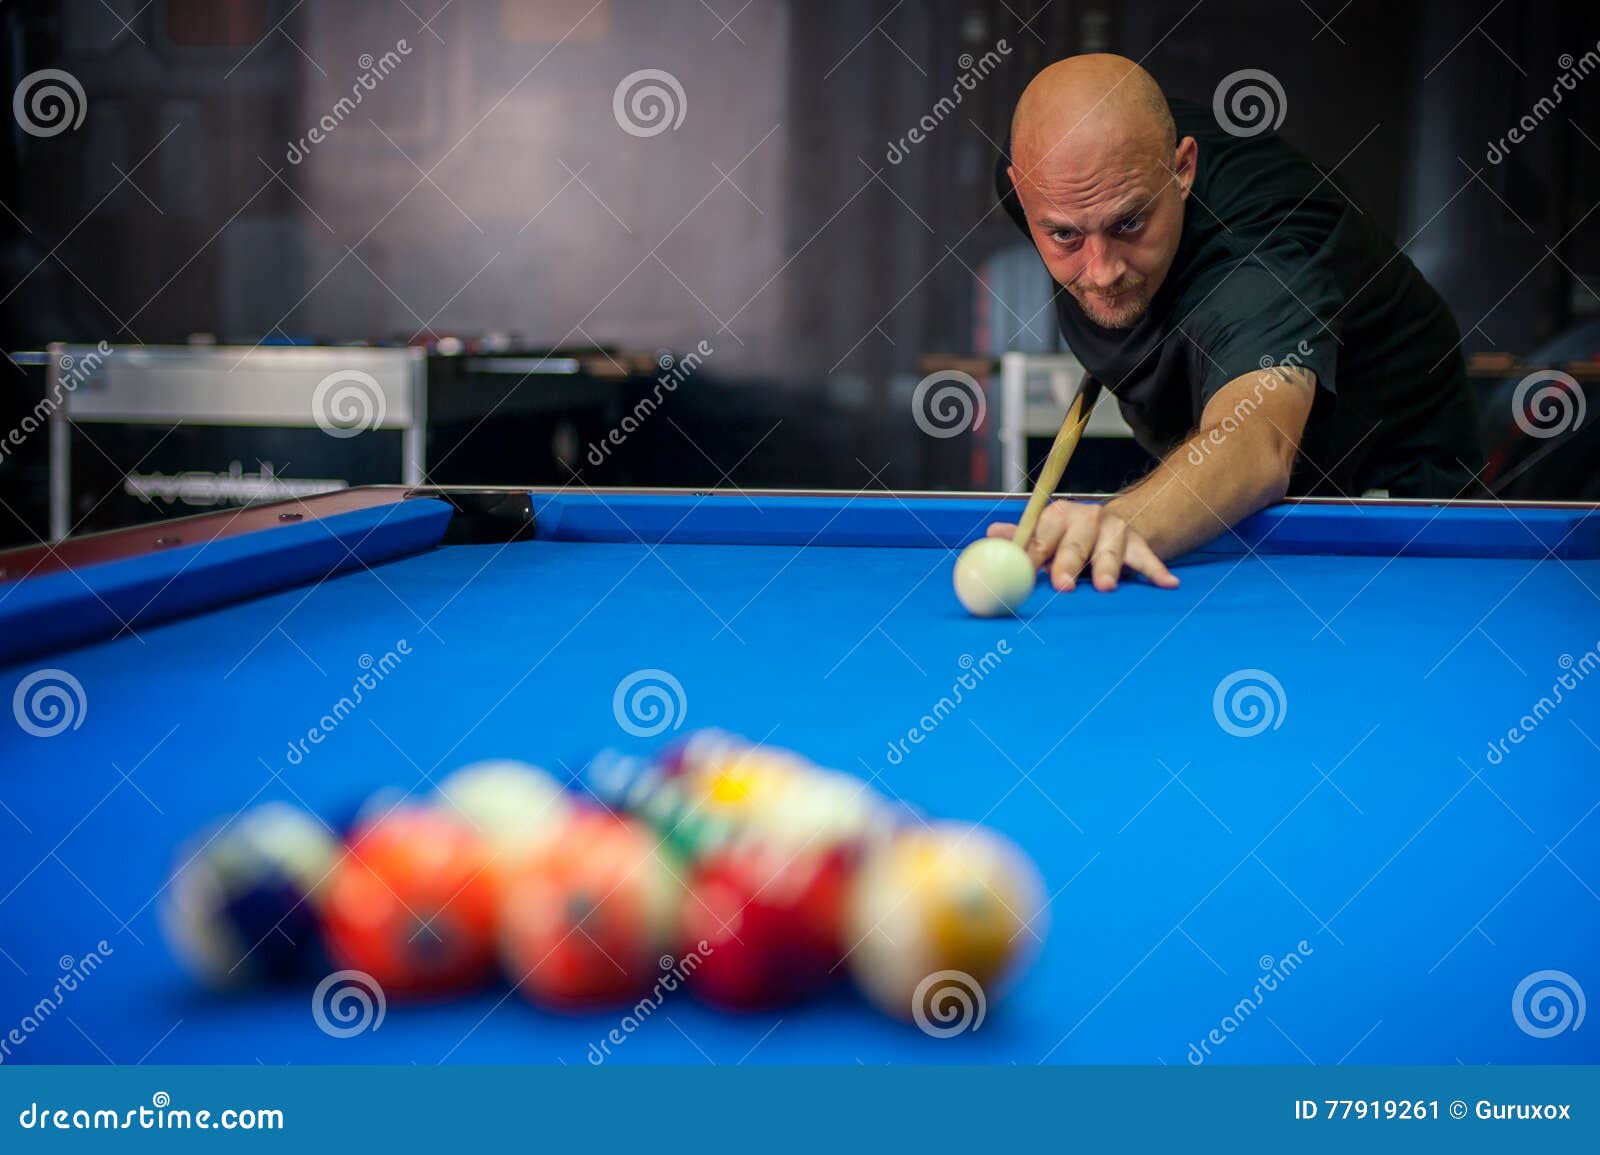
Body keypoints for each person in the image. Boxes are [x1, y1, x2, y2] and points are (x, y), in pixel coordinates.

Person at [990, 54, 1482, 592]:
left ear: (1182, 170)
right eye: (1065, 235)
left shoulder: (1261, 259)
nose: (1102, 272)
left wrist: (1124, 520)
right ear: (1021, 190)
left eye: (1129, 222)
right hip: (1224, 475)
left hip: (1386, 498)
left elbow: (1255, 444)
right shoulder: (1050, 177)